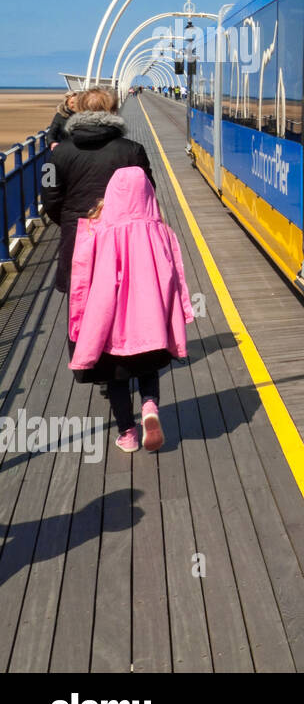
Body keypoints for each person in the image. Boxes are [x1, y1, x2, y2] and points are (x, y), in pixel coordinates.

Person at [67, 167, 193, 452]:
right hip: (152, 325)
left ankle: (127, 433)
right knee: (148, 370)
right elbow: (174, 278)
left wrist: (79, 323)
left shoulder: (97, 230)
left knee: (116, 380)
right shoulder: (162, 231)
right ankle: (149, 406)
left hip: (113, 327)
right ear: (148, 194)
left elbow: (83, 281)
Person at [44, 88, 154, 294]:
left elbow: (49, 196)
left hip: (76, 233)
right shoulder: (134, 150)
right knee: (120, 299)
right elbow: (148, 193)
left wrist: (71, 219)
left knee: (79, 301)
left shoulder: (58, 153)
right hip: (121, 238)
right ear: (113, 110)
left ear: (81, 109)